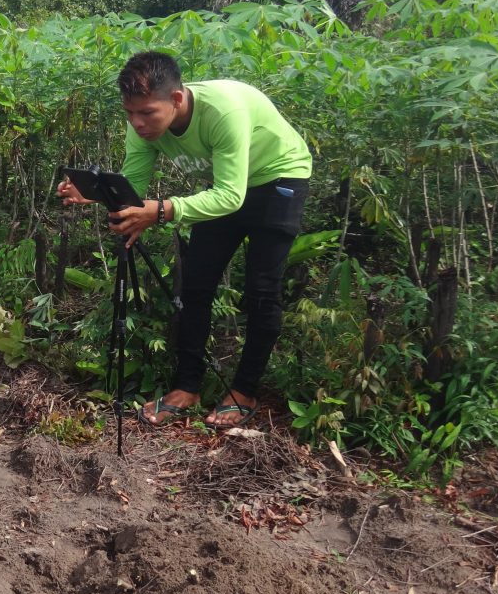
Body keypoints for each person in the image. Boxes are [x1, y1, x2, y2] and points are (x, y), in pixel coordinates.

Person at [58, 51, 312, 430]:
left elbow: (230, 197)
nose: (138, 123)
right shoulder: (141, 124)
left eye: (147, 113)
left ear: (176, 99)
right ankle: (187, 386)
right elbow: (136, 189)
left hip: (279, 179)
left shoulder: (223, 111)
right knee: (195, 284)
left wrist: (159, 212)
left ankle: (243, 390)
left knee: (261, 289)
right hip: (229, 187)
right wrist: (100, 196)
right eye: (130, 114)